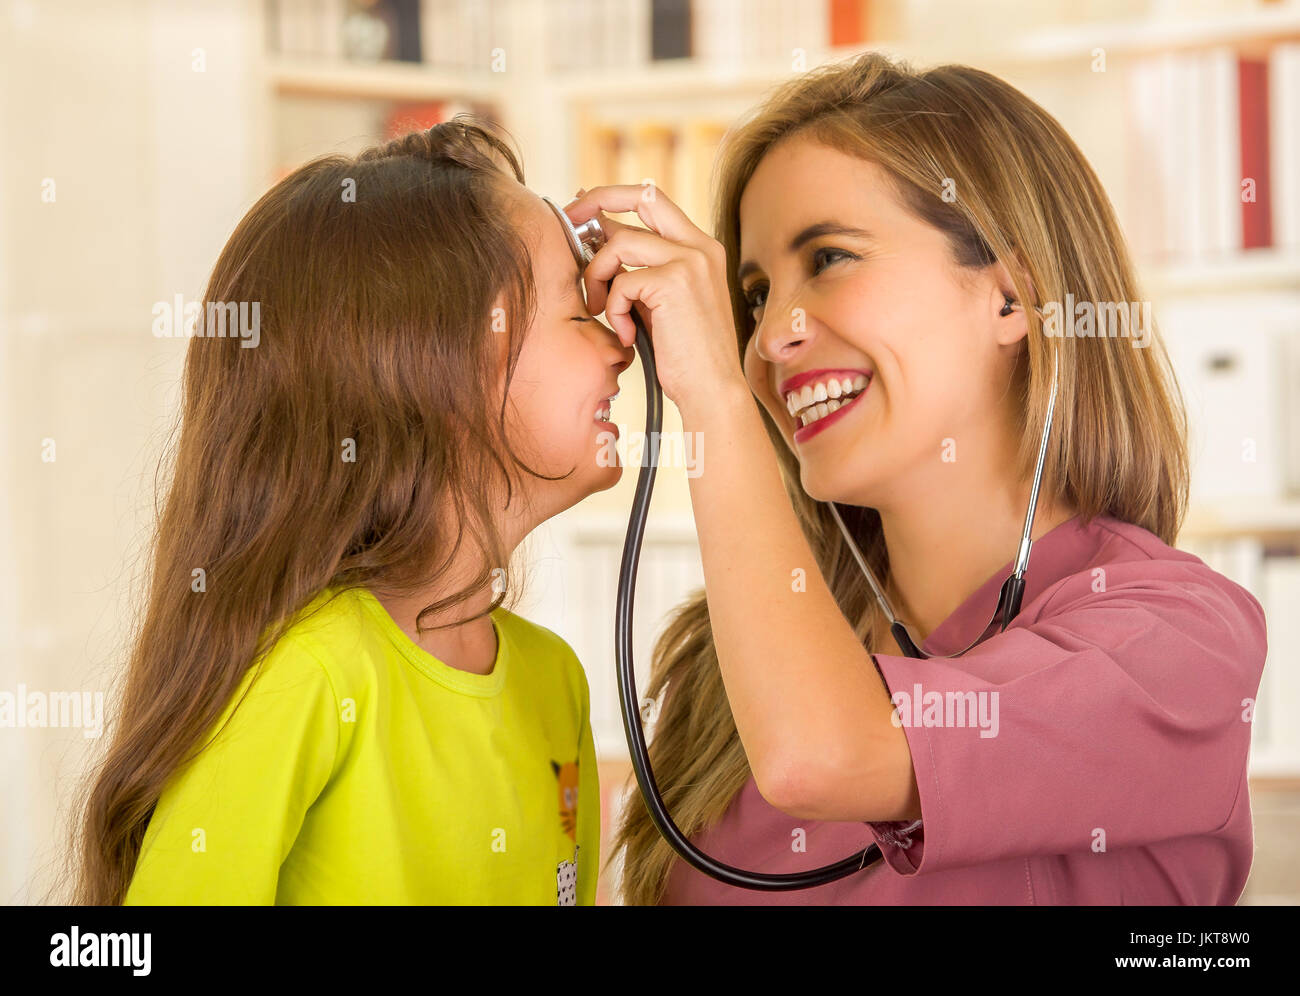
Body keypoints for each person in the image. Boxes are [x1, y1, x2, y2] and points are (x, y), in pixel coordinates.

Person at [565, 52, 1268, 905]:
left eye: (828, 258)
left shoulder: (1179, 644)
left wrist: (711, 391)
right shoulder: (726, 657)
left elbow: (822, 755)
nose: (767, 340)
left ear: (1012, 296)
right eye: (751, 297)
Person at [68, 120, 632, 905]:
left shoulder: (554, 681)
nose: (621, 347)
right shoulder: (307, 678)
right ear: (437, 367)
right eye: (579, 312)